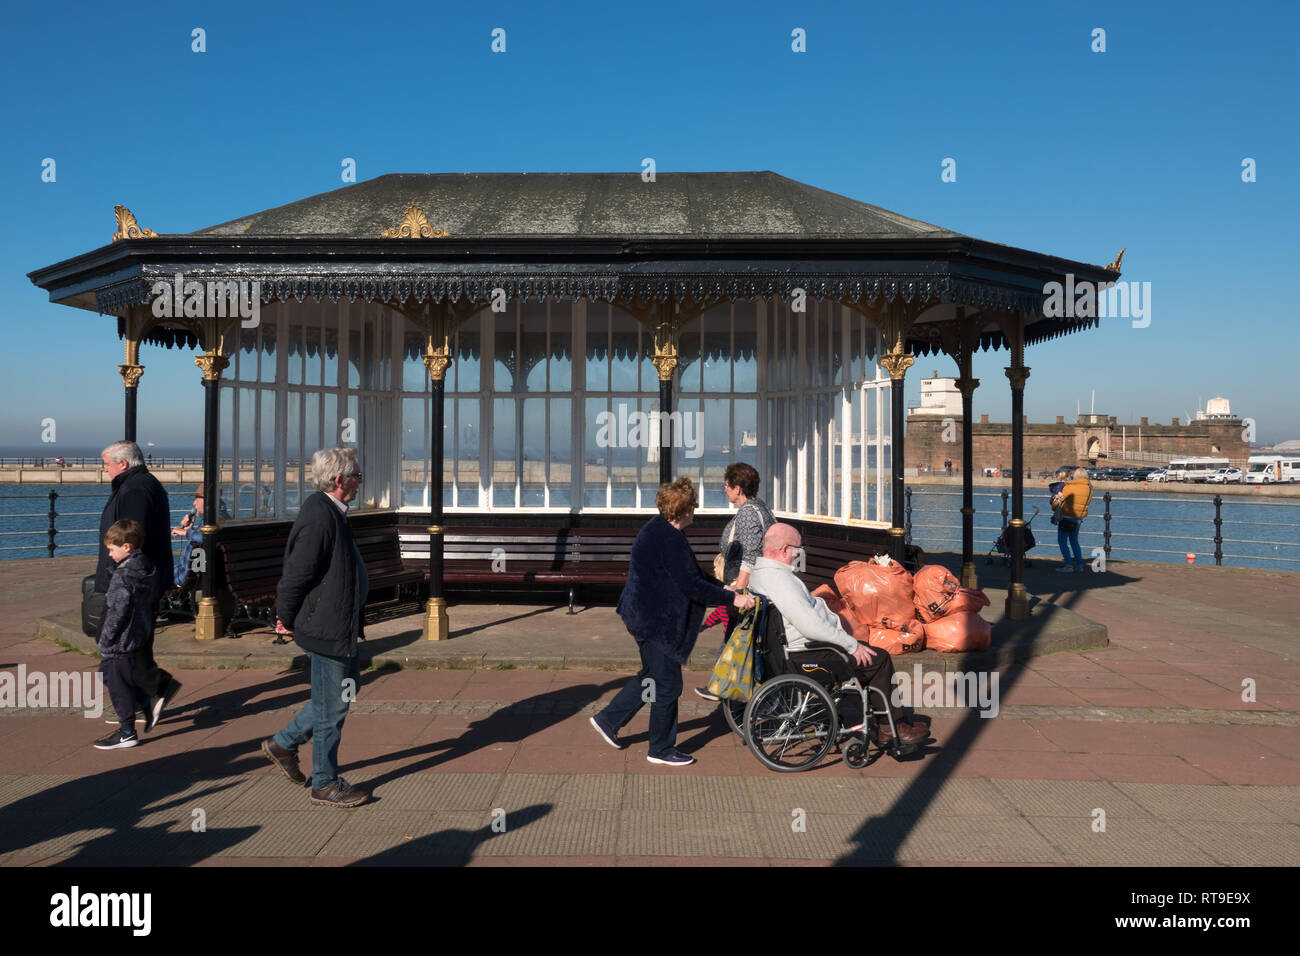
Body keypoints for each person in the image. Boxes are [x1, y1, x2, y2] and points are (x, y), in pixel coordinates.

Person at [590, 478, 755, 766]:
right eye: (693, 505)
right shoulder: (670, 538)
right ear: (683, 511)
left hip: (642, 617)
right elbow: (690, 585)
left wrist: (723, 589)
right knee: (667, 685)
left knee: (652, 676)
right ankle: (661, 749)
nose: (696, 510)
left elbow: (689, 573)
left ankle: (608, 720)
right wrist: (733, 599)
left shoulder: (660, 529)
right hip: (657, 624)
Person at [749, 523, 930, 750]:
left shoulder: (761, 575)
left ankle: (883, 718)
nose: (800, 554)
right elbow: (810, 625)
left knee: (869, 654)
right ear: (785, 549)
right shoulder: (781, 581)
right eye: (798, 549)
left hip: (788, 651)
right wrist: (851, 644)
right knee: (879, 659)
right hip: (803, 654)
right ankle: (890, 726)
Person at [262, 446, 371, 807]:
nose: (360, 481)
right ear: (339, 480)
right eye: (357, 475)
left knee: (339, 696)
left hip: (338, 624)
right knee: (333, 708)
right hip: (327, 627)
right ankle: (323, 782)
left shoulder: (334, 513)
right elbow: (295, 575)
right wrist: (285, 618)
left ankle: (283, 743)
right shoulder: (320, 517)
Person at [96, 440, 182, 729]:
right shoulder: (141, 484)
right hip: (140, 577)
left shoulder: (135, 488)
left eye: (107, 463)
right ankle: (138, 697)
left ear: (122, 463)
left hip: (132, 579)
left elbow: (130, 537)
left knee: (129, 639)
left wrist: (116, 576)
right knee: (135, 638)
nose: (104, 469)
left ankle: (155, 688)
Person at [696, 462, 773, 700]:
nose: (725, 490)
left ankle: (726, 688)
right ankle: (725, 687)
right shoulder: (759, 508)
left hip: (747, 588)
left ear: (738, 488)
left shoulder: (749, 511)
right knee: (735, 637)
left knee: (736, 637)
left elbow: (750, 555)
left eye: (727, 486)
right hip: (752, 586)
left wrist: (738, 590)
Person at [93, 520, 157, 749]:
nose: (109, 554)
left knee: (116, 681)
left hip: (120, 641)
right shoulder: (144, 566)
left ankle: (127, 731)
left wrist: (105, 639)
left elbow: (117, 612)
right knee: (110, 674)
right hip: (136, 635)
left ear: (127, 547)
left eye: (112, 549)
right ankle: (147, 699)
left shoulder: (123, 575)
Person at [1053, 467, 1093, 573]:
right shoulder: (1090, 488)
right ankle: (1079, 565)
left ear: (1075, 476)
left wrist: (1055, 499)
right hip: (1078, 518)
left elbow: (1057, 504)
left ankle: (1068, 565)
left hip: (1066, 517)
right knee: (1074, 541)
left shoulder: (1069, 487)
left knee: (1062, 541)